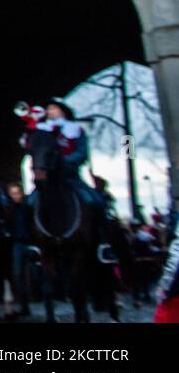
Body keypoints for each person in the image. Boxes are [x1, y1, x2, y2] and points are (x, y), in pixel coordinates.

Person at [23, 99, 116, 264]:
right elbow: (31, 148)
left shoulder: (76, 130)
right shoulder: (41, 130)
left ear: (63, 111)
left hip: (70, 177)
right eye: (48, 108)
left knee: (95, 201)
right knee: (28, 203)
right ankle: (33, 245)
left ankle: (104, 244)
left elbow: (82, 153)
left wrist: (64, 162)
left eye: (54, 108)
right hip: (49, 179)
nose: (50, 111)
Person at [6, 182, 33, 320]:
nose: (15, 196)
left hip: (28, 243)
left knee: (32, 273)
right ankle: (24, 305)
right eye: (12, 194)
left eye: (17, 193)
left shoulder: (28, 206)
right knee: (18, 274)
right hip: (17, 243)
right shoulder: (10, 209)